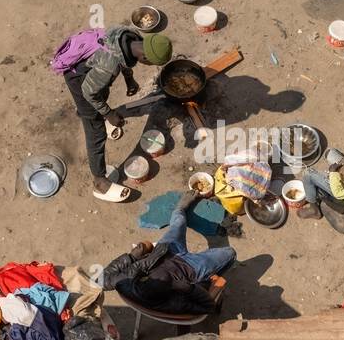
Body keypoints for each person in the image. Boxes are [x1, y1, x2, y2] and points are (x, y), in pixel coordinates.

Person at [62, 26, 173, 202]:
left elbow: (123, 58)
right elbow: (88, 92)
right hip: (78, 79)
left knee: (102, 90)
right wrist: (109, 114)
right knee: (95, 131)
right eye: (150, 63)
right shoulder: (108, 67)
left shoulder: (130, 35)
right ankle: (100, 182)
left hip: (91, 66)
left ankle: (87, 111)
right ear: (144, 57)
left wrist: (129, 79)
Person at [100, 192, 235, 315]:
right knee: (230, 253)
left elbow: (100, 280)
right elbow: (207, 307)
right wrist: (190, 289)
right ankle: (207, 277)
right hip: (191, 268)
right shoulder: (169, 304)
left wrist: (132, 256)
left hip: (166, 251)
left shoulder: (125, 282)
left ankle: (180, 208)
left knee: (179, 222)